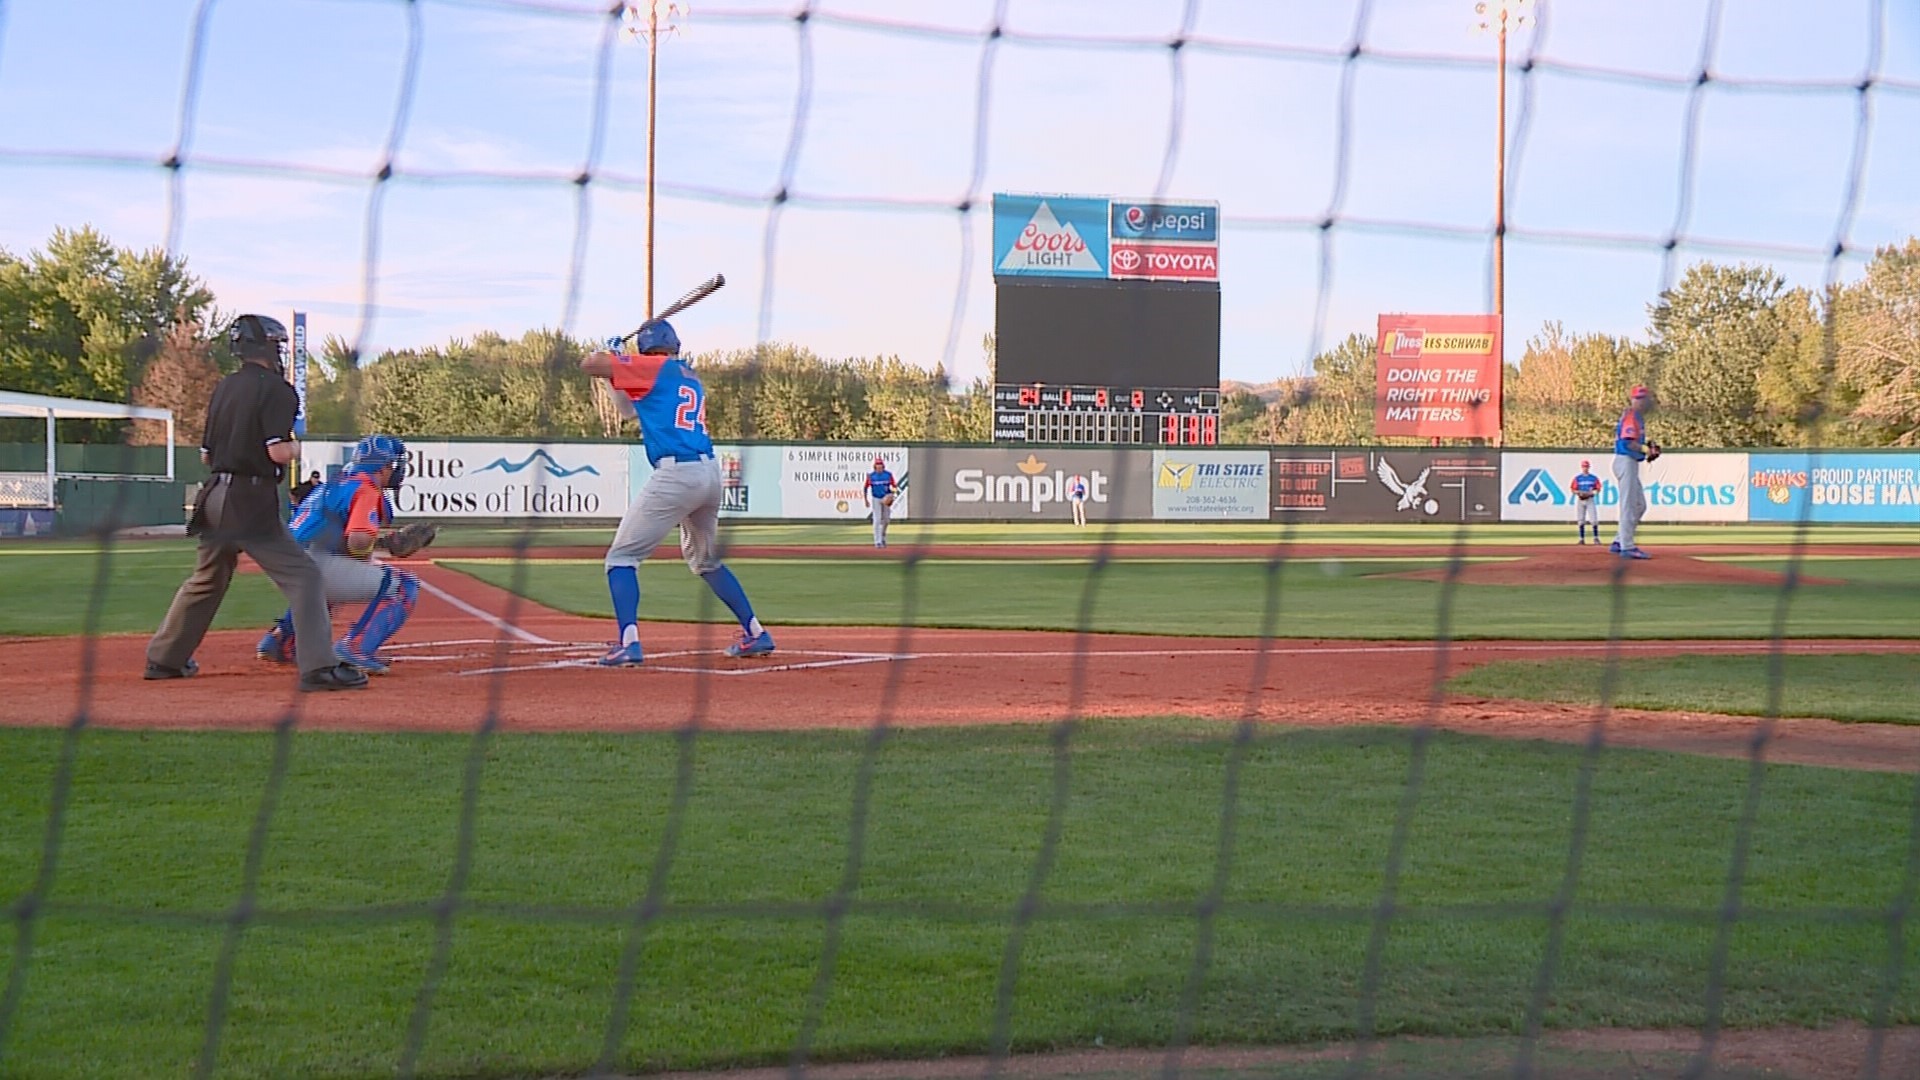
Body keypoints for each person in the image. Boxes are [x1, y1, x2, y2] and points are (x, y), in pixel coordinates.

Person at [144, 315, 368, 692]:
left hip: (213, 494)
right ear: (266, 346)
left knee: (207, 579)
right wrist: (299, 447)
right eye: (277, 344)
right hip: (248, 499)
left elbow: (206, 455)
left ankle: (164, 659)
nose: (280, 351)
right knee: (304, 576)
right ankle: (319, 668)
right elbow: (279, 452)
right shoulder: (277, 390)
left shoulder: (224, 388)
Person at [581, 318, 774, 666]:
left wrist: (610, 355)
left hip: (677, 474)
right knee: (706, 561)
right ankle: (756, 632)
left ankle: (629, 642)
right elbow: (627, 411)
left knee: (621, 559)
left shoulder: (651, 365)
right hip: (708, 472)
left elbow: (588, 364)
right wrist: (616, 369)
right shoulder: (684, 373)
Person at [257, 435, 420, 675]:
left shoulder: (335, 483)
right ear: (383, 467)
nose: (394, 471)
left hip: (285, 563)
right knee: (403, 585)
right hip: (309, 563)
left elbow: (333, 541)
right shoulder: (366, 488)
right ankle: (356, 648)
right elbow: (358, 542)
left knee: (330, 583)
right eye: (391, 465)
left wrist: (378, 547)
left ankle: (282, 640)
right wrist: (387, 547)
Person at [1610, 385, 1659, 560]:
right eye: (1638, 398)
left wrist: (1647, 450)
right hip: (1625, 460)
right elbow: (1629, 443)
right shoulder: (1631, 417)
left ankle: (1619, 540)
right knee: (1628, 505)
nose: (1641, 401)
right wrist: (1646, 449)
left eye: (1643, 398)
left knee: (1639, 505)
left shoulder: (1637, 417)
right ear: (1632, 400)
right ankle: (1627, 546)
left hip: (1630, 462)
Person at [864, 457, 896, 548]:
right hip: (876, 498)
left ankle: (882, 537)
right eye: (877, 465)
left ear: (883, 466)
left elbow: (894, 486)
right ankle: (877, 541)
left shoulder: (888, 475)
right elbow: (865, 487)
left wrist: (892, 495)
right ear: (875, 466)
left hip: (886, 497)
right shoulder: (871, 476)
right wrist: (866, 500)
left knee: (886, 520)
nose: (879, 467)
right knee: (877, 519)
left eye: (880, 465)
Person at [1569, 459, 1602, 545]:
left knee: (1594, 520)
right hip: (1580, 499)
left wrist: (1591, 493)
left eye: (1586, 466)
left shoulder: (1593, 478)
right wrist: (1579, 493)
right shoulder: (1578, 478)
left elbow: (1598, 488)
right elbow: (1573, 489)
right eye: (1584, 466)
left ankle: (1596, 538)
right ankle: (1581, 539)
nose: (1585, 468)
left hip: (1590, 499)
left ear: (1589, 467)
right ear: (1581, 467)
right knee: (1581, 520)